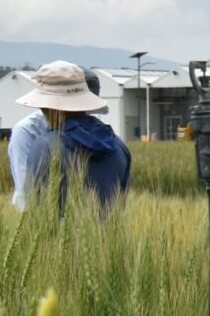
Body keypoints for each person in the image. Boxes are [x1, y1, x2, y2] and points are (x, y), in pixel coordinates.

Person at [9, 63, 131, 213]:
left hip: (57, 236)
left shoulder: (45, 146)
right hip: (109, 235)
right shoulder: (120, 147)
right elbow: (119, 207)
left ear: (48, 106)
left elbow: (35, 207)